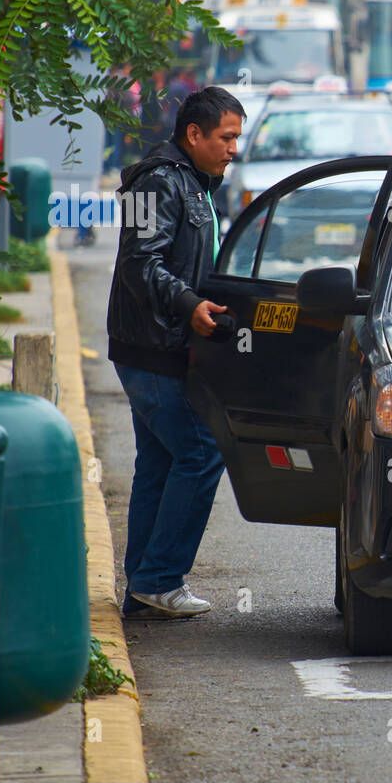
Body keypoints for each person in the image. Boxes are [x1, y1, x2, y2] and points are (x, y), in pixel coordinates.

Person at [106, 87, 246, 619]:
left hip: (166, 347)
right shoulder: (155, 181)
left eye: (236, 137)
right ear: (194, 134)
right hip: (150, 349)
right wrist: (188, 304)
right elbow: (139, 263)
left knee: (161, 461)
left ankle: (144, 588)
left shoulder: (195, 182)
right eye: (226, 137)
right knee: (201, 451)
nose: (233, 148)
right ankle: (161, 576)